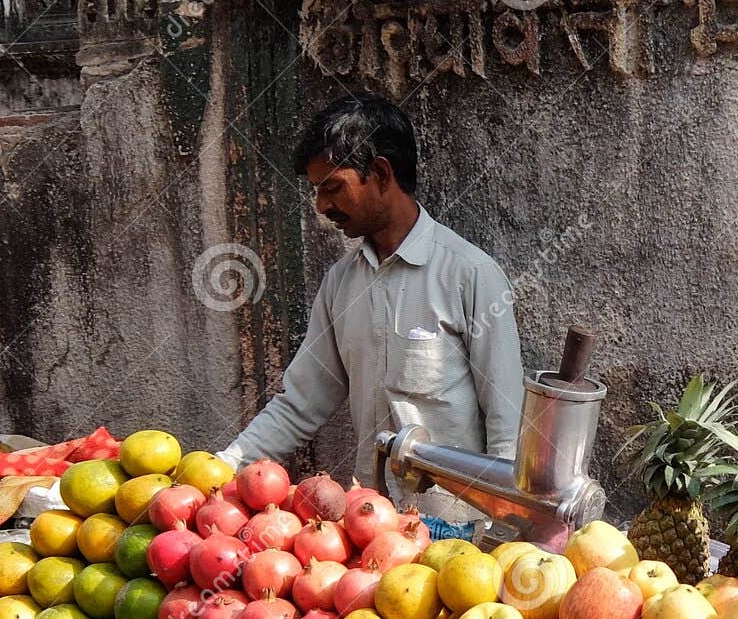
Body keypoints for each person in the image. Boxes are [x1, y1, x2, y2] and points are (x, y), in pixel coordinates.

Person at [222, 94, 524, 518]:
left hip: (458, 538)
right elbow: (299, 404)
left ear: (381, 173)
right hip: (371, 528)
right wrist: (223, 468)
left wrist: (507, 530)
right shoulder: (339, 285)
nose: (322, 206)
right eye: (316, 191)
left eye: (332, 187)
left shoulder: (470, 274)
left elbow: (508, 425)